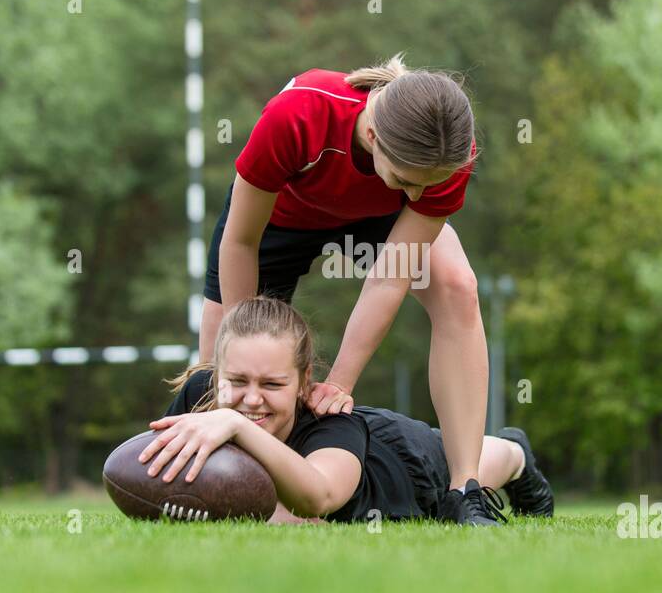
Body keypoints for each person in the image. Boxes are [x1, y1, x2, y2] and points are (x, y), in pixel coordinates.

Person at [201, 55, 493, 523]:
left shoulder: (443, 155)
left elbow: (391, 272)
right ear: (374, 136)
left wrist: (339, 382)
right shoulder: (298, 114)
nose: (418, 196)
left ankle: (466, 490)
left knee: (458, 286)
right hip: (279, 219)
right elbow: (240, 240)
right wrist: (239, 350)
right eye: (407, 182)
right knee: (217, 374)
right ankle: (231, 482)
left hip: (376, 219)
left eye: (428, 186)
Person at [143, 297, 554, 526]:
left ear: (304, 383)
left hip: (400, 461)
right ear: (216, 374)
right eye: (237, 381)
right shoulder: (202, 394)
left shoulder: (333, 423)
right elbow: (149, 471)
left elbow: (317, 500)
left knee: (483, 459)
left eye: (272, 384)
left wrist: (233, 423)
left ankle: (518, 452)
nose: (252, 399)